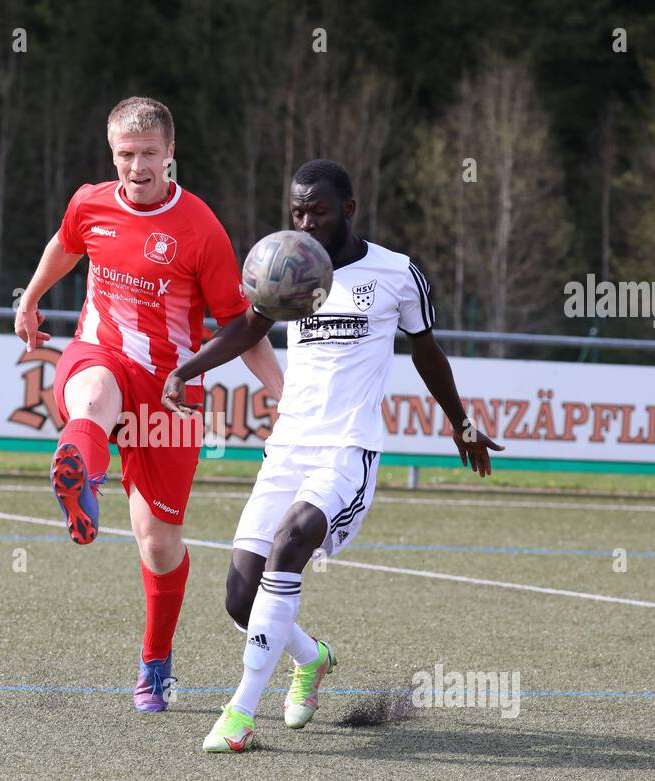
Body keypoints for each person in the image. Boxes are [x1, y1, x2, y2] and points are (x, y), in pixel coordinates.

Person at [161, 159, 504, 751]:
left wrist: (461, 421)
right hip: (288, 444)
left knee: (292, 541)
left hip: (349, 447)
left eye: (318, 210)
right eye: (297, 209)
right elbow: (249, 329)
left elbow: (427, 351)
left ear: (349, 209)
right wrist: (187, 368)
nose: (306, 220)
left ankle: (239, 714)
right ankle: (311, 658)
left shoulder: (397, 274)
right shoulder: (288, 266)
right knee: (241, 598)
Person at [14, 96, 283, 713]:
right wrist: (31, 298)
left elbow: (239, 326)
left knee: (158, 544)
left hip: (171, 395)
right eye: (125, 155)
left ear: (170, 155)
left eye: (148, 155)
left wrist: (285, 394)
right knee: (92, 393)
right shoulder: (90, 202)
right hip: (100, 353)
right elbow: (65, 242)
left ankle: (156, 663)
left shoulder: (201, 229)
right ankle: (84, 478)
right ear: (113, 154)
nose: (136, 167)